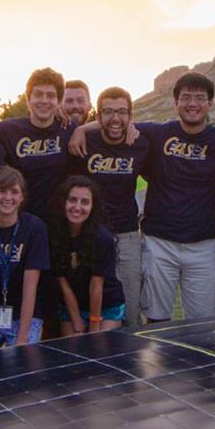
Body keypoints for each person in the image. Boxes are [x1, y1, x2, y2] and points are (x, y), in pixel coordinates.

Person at [87, 70, 215, 324]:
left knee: (205, 323)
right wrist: (80, 131)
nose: (192, 103)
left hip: (202, 245)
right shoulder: (157, 133)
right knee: (157, 319)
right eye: (185, 97)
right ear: (175, 103)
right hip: (158, 242)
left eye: (199, 98)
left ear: (209, 103)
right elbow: (114, 122)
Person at [72, 86, 150, 327]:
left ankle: (130, 361)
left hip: (126, 235)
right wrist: (80, 129)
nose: (115, 118)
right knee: (89, 306)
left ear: (130, 116)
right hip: (90, 236)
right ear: (98, 116)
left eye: (122, 112)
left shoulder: (140, 143)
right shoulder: (84, 143)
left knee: (130, 307)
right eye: (108, 111)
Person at [0, 167, 48, 347]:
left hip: (23, 315)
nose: (7, 198)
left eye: (14, 192)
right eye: (2, 191)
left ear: (22, 197)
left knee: (25, 364)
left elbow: (31, 286)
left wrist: (22, 339)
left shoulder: (34, 227)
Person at [48, 176, 126, 333]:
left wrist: (94, 326)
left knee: (98, 349)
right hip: (72, 305)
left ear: (92, 207)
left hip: (105, 306)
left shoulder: (103, 238)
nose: (77, 207)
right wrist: (76, 321)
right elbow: (63, 284)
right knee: (73, 348)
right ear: (63, 202)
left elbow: (96, 286)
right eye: (72, 200)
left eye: (84, 202)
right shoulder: (53, 234)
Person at [0, 67, 72, 219]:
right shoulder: (5, 131)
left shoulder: (69, 129)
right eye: (38, 94)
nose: (44, 100)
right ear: (28, 99)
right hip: (17, 221)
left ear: (59, 101)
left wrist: (130, 128)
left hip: (57, 224)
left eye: (50, 96)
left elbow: (99, 129)